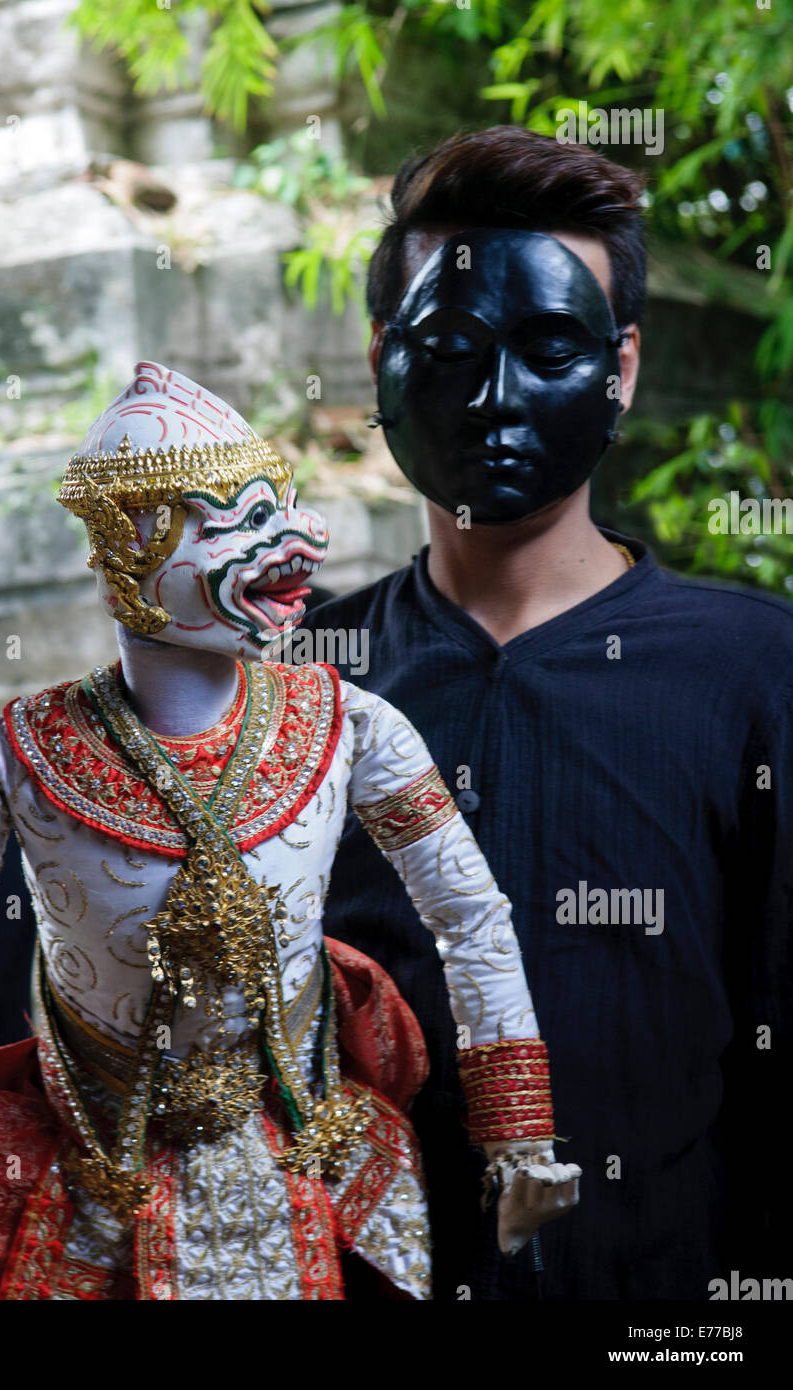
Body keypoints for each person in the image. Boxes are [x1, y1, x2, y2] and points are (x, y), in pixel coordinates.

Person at [0, 361, 578, 1301]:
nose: (298, 540)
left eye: (284, 504)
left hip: (316, 1144)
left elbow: (469, 917)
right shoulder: (13, 757)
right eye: (237, 519)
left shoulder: (352, 726)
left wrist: (517, 1133)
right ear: (133, 540)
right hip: (89, 1165)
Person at [296, 125, 793, 1301]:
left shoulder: (757, 673)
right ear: (380, 358)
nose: (498, 396)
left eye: (550, 347)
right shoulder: (288, 682)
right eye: (451, 346)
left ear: (621, 370)